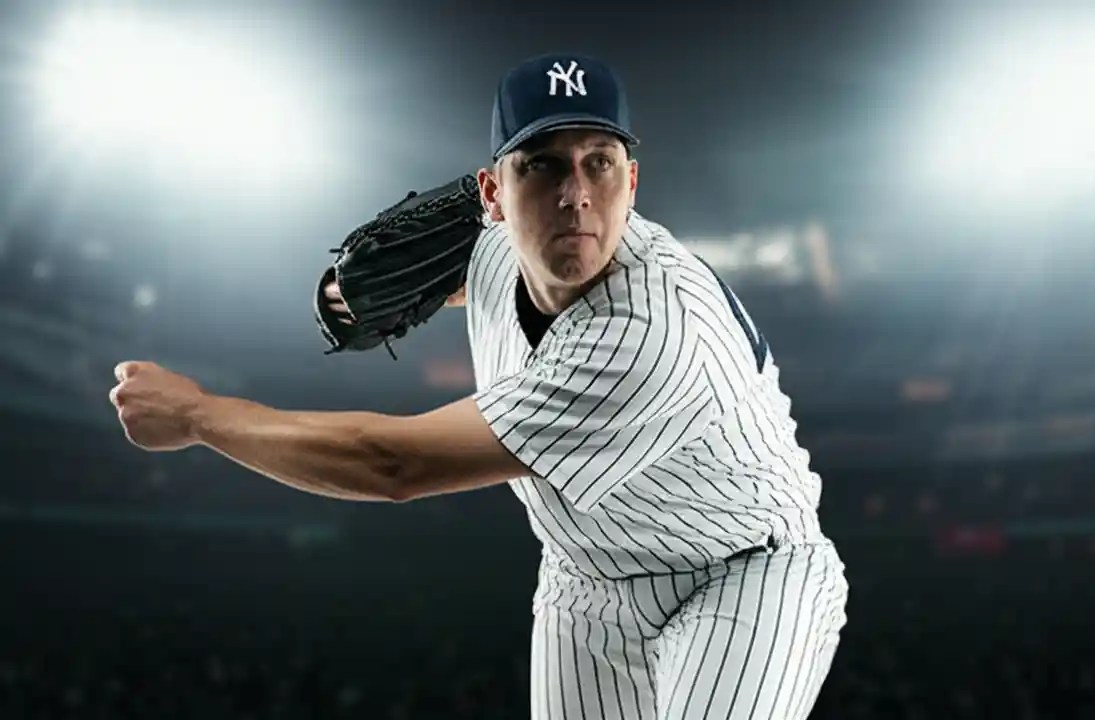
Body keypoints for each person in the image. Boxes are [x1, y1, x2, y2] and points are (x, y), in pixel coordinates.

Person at [109, 53, 848, 719]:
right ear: (492, 191)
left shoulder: (653, 327)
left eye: (600, 163)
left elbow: (393, 464)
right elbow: (368, 293)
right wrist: (343, 294)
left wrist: (200, 415)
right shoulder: (494, 251)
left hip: (746, 573)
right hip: (586, 578)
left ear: (633, 181)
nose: (577, 194)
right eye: (544, 165)